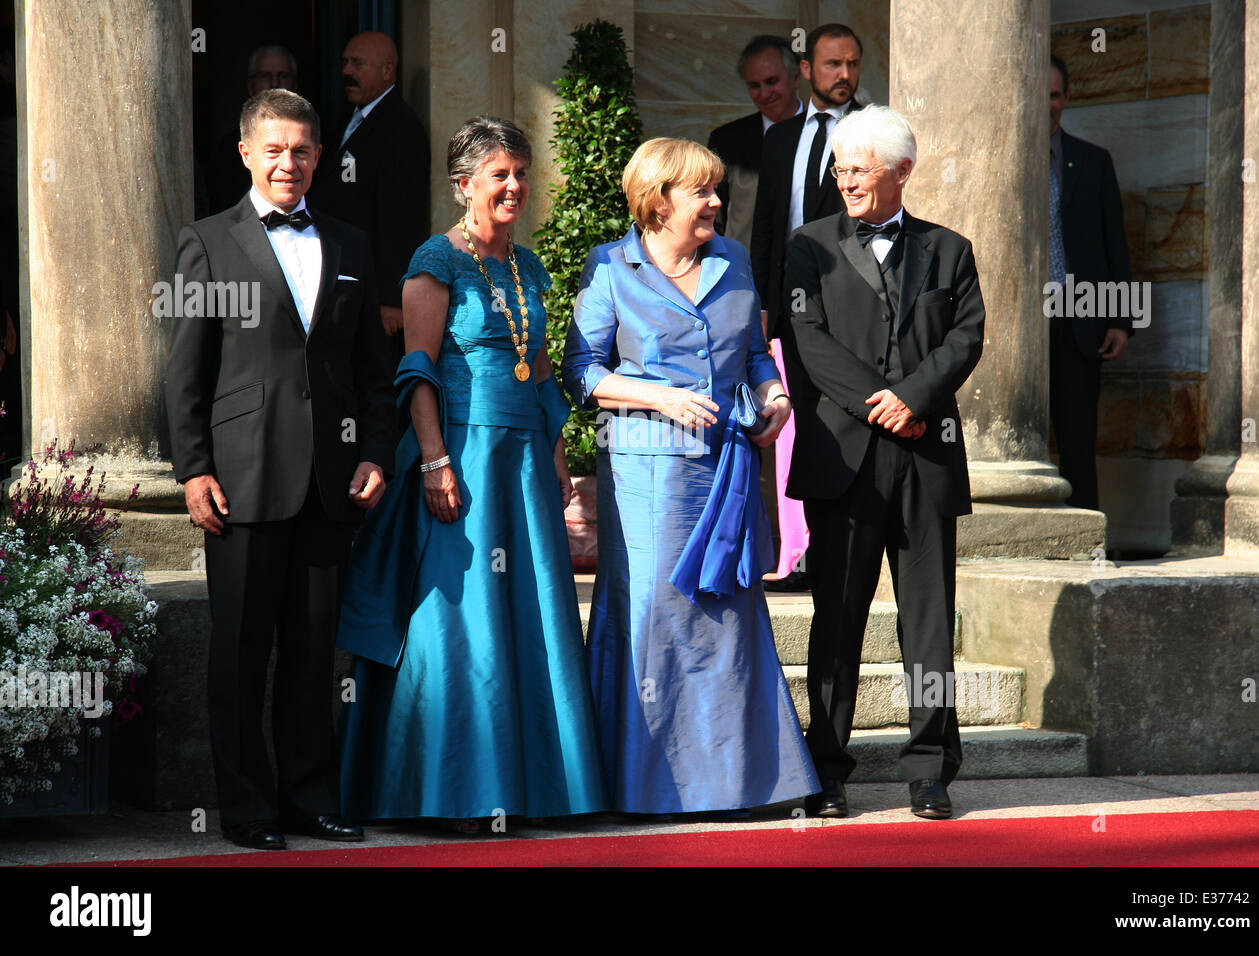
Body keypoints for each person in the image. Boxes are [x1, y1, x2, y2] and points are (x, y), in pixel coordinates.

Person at [335, 116, 607, 828]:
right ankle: (450, 789)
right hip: (460, 453)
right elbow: (417, 370)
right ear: (464, 187)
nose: (515, 185)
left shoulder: (531, 264)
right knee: (463, 616)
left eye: (521, 172)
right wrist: (433, 461)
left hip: (524, 460)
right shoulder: (436, 261)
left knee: (533, 611)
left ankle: (539, 787)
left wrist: (558, 462)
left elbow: (542, 369)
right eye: (499, 175)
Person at [165, 89, 396, 850]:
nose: (287, 162)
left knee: (311, 651)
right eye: (273, 149)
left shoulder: (353, 245)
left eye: (301, 150)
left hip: (331, 483)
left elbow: (373, 368)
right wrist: (192, 469)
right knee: (240, 650)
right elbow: (184, 371)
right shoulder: (204, 241)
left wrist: (373, 452)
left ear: (320, 156)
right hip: (240, 478)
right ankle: (248, 810)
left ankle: (310, 799)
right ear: (245, 153)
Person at [562, 137, 819, 816]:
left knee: (728, 611)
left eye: (714, 191)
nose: (714, 202)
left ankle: (740, 783)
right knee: (655, 611)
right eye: (700, 191)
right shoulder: (611, 267)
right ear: (656, 201)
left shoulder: (733, 260)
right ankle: (643, 785)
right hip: (646, 473)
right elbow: (581, 371)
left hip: (727, 468)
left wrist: (774, 396)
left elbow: (756, 353)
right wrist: (658, 395)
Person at [784, 106, 984, 820]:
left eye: (859, 169)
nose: (846, 182)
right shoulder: (808, 247)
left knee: (928, 622)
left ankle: (931, 769)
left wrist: (915, 397)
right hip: (844, 457)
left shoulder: (951, 250)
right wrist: (881, 402)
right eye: (839, 169)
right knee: (836, 615)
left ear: (903, 171)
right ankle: (826, 767)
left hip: (927, 457)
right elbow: (807, 338)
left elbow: (965, 339)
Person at [751, 23, 866, 592]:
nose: (844, 76)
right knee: (795, 425)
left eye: (851, 64)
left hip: (846, 311)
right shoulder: (780, 137)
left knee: (836, 421)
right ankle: (798, 552)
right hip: (787, 310)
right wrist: (762, 307)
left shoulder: (871, 134)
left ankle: (834, 552)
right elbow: (766, 231)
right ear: (806, 70)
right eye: (831, 65)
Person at [309, 31, 431, 375]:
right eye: (345, 62)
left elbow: (402, 217)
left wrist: (393, 299)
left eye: (358, 63)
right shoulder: (351, 119)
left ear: (388, 70)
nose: (347, 71)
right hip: (347, 284)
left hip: (378, 299)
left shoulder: (400, 128)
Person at [1048, 53, 1133, 511]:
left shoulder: (1093, 161)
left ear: (1067, 97)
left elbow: (1114, 242)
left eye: (1055, 95)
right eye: (1038, 95)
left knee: (1078, 439)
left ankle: (1085, 542)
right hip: (1016, 324)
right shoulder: (997, 160)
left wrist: (1122, 320)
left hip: (1079, 315)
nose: (1047, 106)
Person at [707, 35, 802, 252]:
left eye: (772, 82)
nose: (765, 93)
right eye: (754, 86)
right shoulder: (727, 141)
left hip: (808, 270)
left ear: (796, 78)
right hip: (744, 271)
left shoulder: (827, 134)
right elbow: (713, 216)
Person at [206, 45, 300, 213]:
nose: (275, 83)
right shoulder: (229, 149)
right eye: (265, 76)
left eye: (283, 76)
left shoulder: (320, 141)